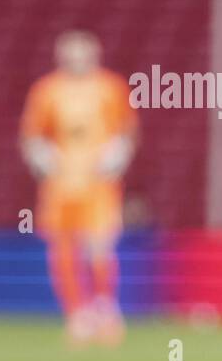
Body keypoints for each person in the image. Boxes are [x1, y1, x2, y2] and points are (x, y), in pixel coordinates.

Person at [20, 30, 138, 345]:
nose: (77, 60)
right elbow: (32, 135)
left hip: (98, 185)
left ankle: (105, 309)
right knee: (62, 248)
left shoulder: (110, 87)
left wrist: (118, 154)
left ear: (94, 55)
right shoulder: (46, 91)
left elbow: (126, 131)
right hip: (60, 186)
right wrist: (41, 155)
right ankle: (77, 314)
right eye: (71, 54)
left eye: (83, 53)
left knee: (99, 247)